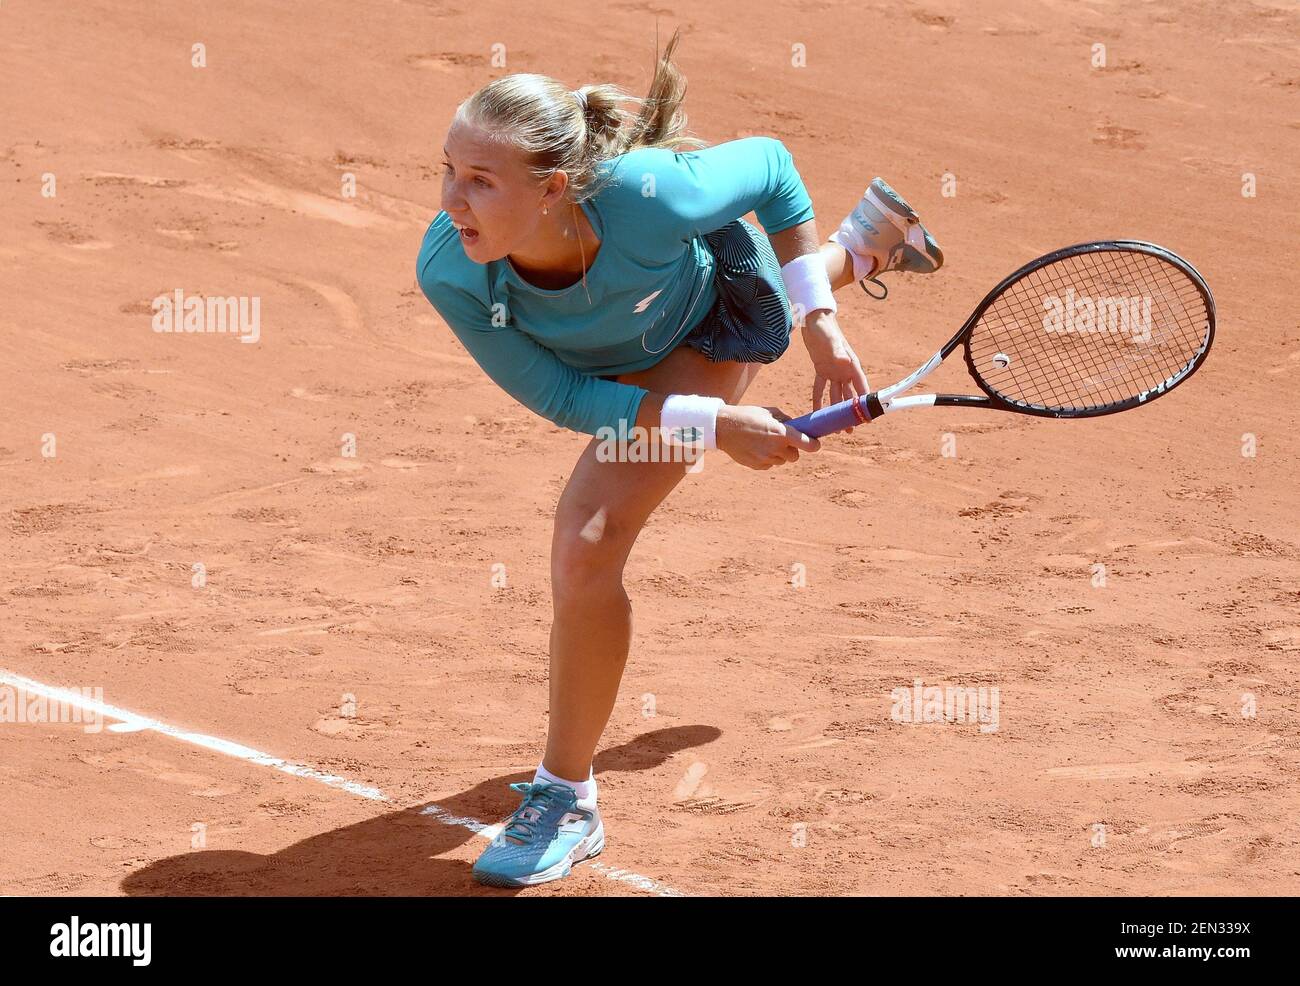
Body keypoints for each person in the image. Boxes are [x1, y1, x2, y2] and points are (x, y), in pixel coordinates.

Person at [416, 28, 942, 888]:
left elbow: (771, 166)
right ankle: (869, 243)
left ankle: (565, 797)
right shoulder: (453, 273)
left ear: (553, 189)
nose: (452, 201)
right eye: (446, 170)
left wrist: (819, 322)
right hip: (612, 361)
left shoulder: (647, 196)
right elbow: (566, 398)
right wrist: (715, 427)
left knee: (587, 540)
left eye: (480, 180)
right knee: (627, 440)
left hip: (704, 317)